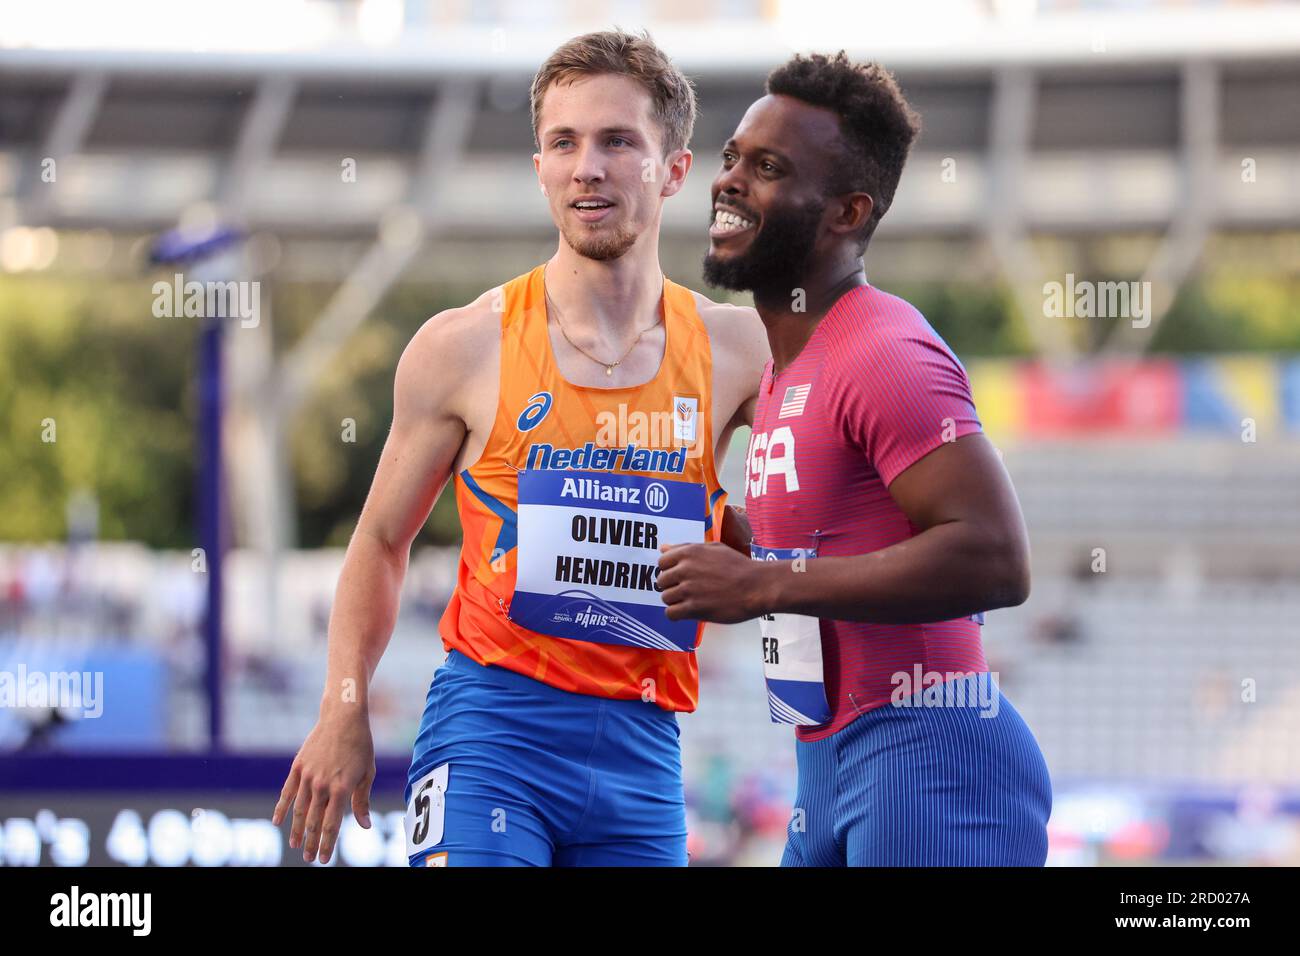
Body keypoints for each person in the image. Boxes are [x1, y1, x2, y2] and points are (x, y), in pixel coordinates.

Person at [272, 29, 768, 867]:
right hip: (492, 734)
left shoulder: (741, 350)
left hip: (645, 751)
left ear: (674, 170)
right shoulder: (462, 347)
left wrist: (753, 559)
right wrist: (343, 706)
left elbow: (805, 520)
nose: (588, 168)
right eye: (563, 143)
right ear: (539, 166)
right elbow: (380, 542)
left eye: (619, 141)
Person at [657, 52, 1053, 866]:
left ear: (846, 212)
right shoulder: (785, 364)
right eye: (731, 157)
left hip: (931, 752)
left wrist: (763, 582)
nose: (728, 181)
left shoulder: (884, 349)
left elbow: (996, 557)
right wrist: (734, 540)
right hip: (827, 759)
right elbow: (836, 553)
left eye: (768, 168)